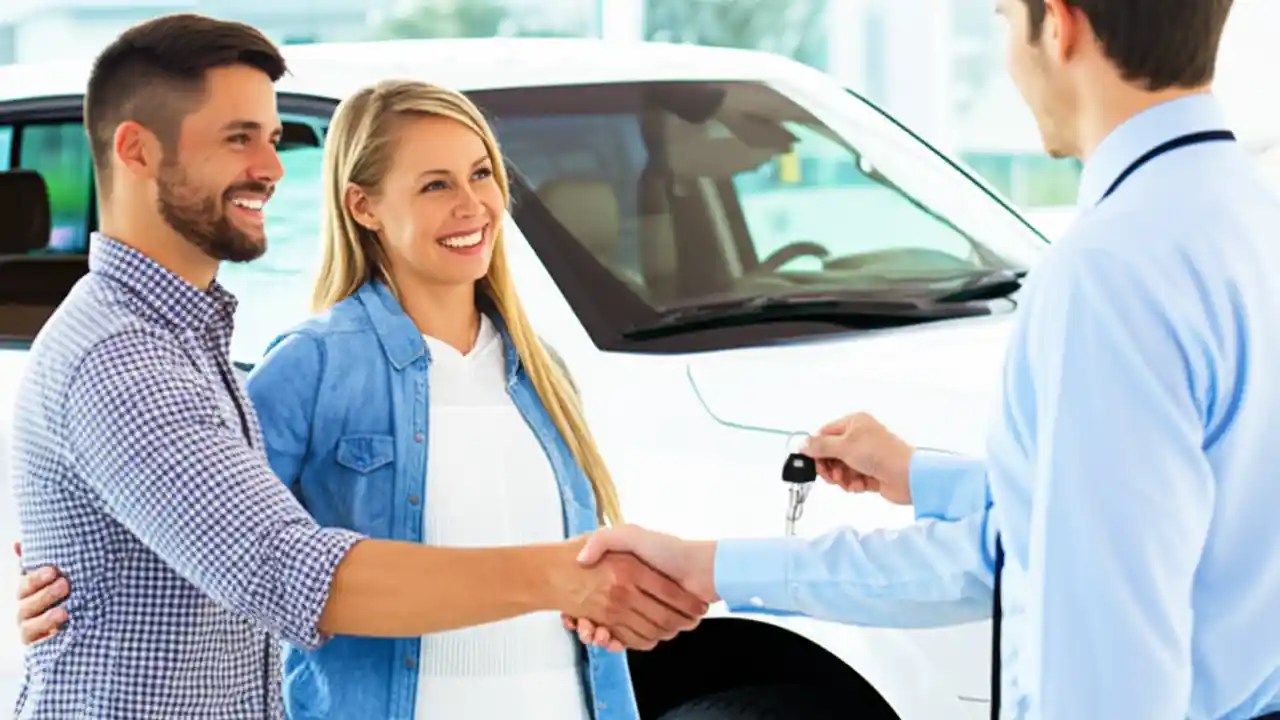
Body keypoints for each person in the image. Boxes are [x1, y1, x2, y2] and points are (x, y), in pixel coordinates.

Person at [563, 0, 1280, 718]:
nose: (1007, 58)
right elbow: (1120, 510)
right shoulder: (1245, 216)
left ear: (1058, 26)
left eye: (1003, 19)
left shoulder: (1110, 271)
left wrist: (710, 566)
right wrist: (918, 479)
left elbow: (1099, 651)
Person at [8, 14, 703, 719]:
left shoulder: (189, 339)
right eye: (238, 138)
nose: (274, 169)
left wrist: (83, 556)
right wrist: (565, 578)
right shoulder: (128, 358)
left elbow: (212, 532)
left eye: (273, 140)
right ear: (138, 152)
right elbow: (285, 570)